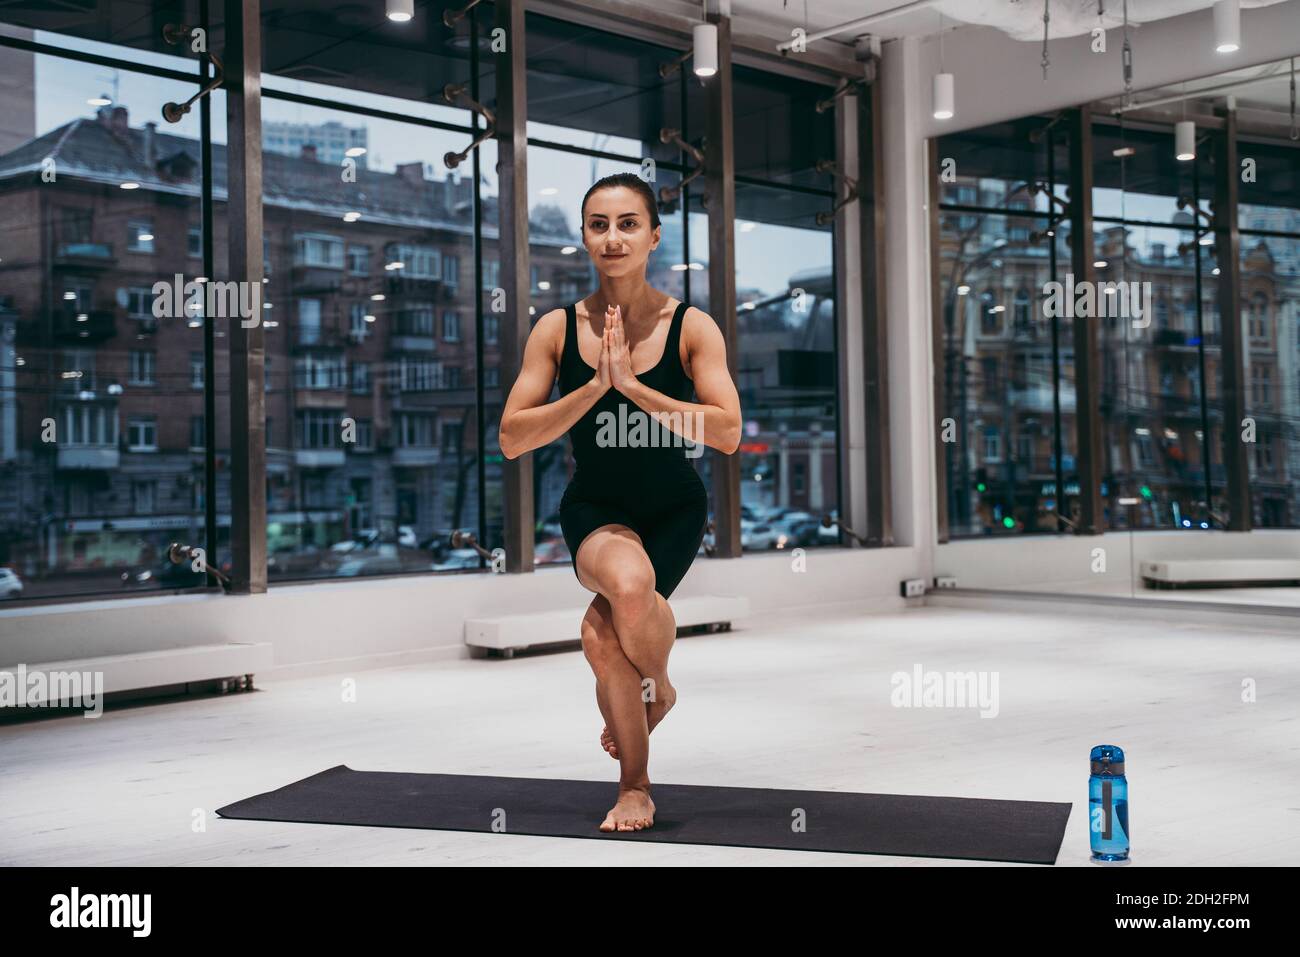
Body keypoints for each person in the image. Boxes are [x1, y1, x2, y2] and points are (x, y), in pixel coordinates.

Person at [499, 172, 742, 832]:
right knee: (627, 586)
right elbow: (512, 438)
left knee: (603, 638)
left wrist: (635, 387)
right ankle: (656, 697)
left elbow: (726, 430)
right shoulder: (555, 328)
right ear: (583, 237)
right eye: (599, 224)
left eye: (628, 223)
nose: (613, 237)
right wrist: (592, 389)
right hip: (596, 506)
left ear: (654, 236)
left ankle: (637, 781)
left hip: (674, 507)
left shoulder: (692, 327)